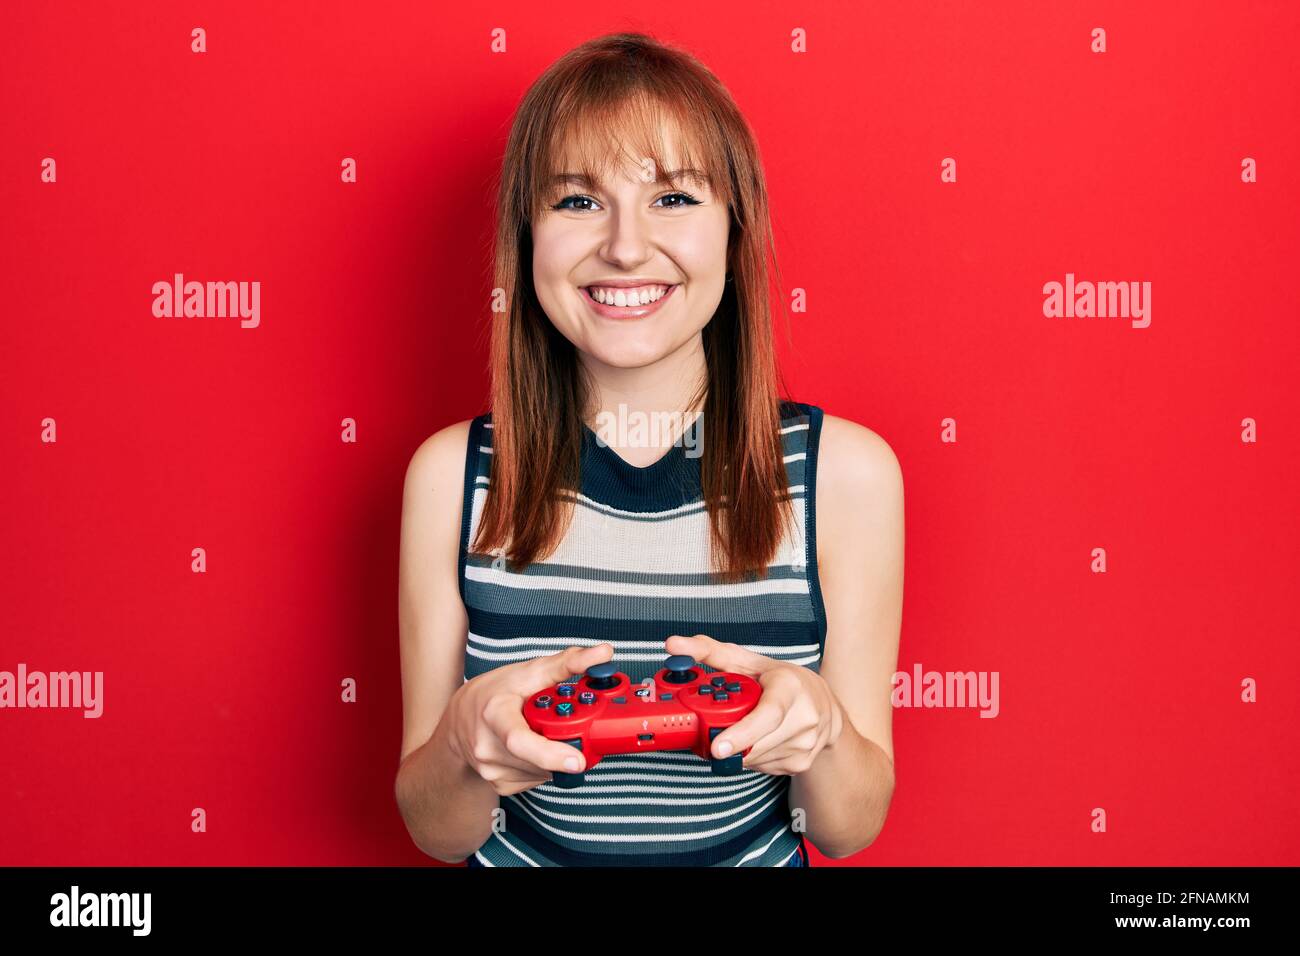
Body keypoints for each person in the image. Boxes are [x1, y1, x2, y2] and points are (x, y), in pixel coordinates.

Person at [395, 32, 902, 867]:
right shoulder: (452, 476)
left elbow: (849, 829)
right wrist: (460, 746)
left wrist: (821, 728)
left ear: (735, 231)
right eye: (577, 200)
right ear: (525, 240)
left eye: (673, 199)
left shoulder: (846, 475)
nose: (626, 247)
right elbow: (434, 832)